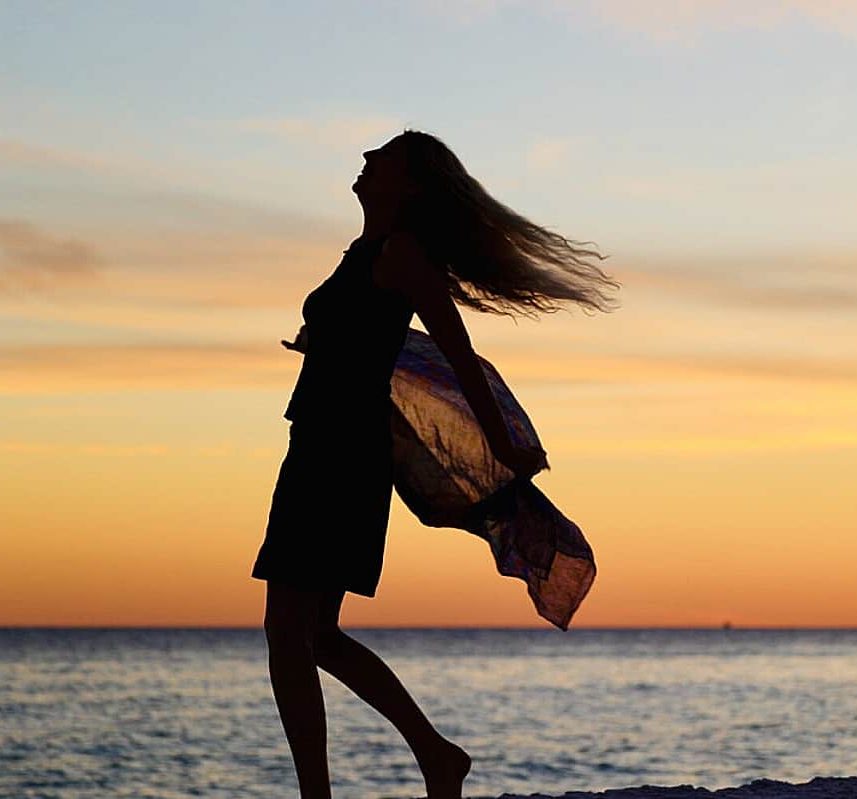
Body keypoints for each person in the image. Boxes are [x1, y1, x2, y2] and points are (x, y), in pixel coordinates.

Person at [250, 128, 620, 799]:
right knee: (317, 635)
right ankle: (436, 753)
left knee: (288, 633)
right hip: (316, 443)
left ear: (409, 183)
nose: (365, 160)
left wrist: (504, 443)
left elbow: (456, 351)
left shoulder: (402, 255)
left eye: (382, 157)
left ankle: (325, 795)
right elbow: (368, 342)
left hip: (340, 457)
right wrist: (321, 342)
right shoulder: (363, 253)